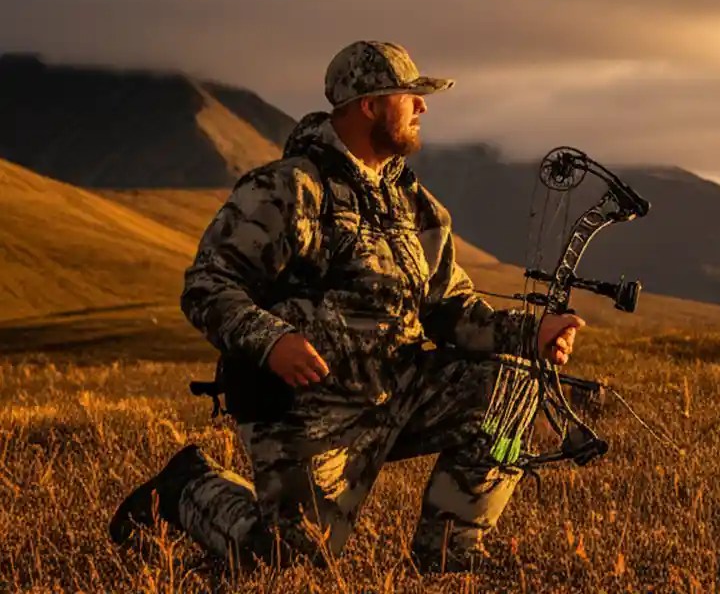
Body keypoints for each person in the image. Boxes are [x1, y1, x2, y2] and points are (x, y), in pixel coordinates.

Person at [108, 40, 585, 573]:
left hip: (399, 391)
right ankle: (187, 486)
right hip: (308, 412)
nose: (423, 107)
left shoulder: (416, 205)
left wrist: (531, 333)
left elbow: (450, 307)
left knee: (513, 382)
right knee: (287, 566)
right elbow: (207, 286)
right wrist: (272, 342)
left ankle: (450, 559)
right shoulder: (289, 188)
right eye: (411, 96)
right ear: (371, 105)